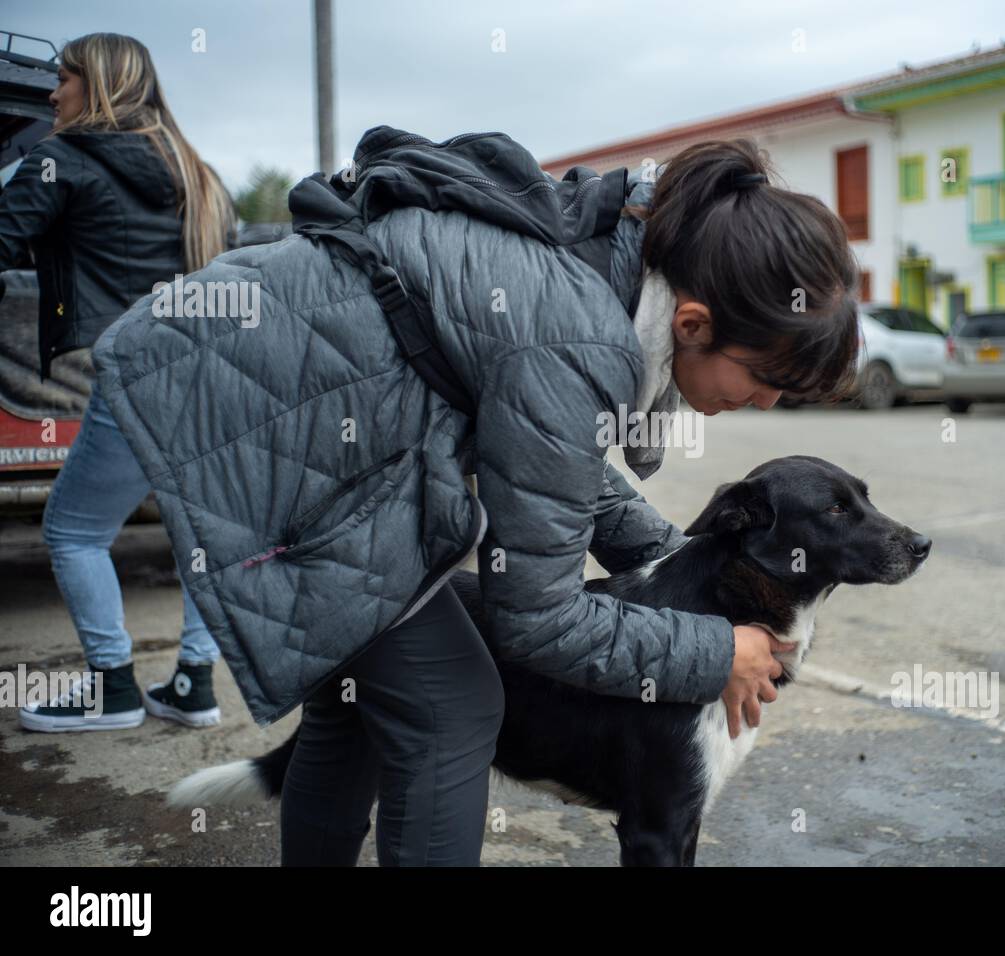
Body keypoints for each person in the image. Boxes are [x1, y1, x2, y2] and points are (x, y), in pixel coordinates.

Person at [94, 135, 860, 865]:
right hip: (265, 431)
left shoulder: (608, 264)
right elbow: (538, 616)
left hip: (279, 414)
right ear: (693, 324)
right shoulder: (583, 334)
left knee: (354, 704)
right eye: (768, 380)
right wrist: (713, 649)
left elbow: (543, 455)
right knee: (449, 709)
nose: (764, 405)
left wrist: (674, 557)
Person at [0, 33, 236, 732]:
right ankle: (194, 685)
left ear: (97, 85)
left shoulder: (61, 160)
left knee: (73, 530)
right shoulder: (197, 172)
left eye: (65, 79)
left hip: (136, 378)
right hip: (213, 379)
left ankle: (112, 689)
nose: (52, 94)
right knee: (201, 536)